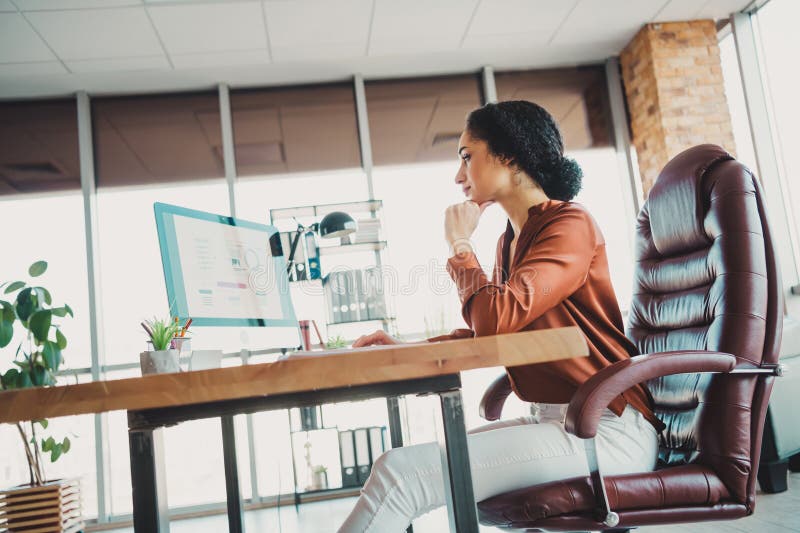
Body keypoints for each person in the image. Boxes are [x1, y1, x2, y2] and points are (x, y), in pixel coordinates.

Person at [338, 100, 664, 532]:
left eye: (467, 156)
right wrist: (408, 349)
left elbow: (495, 317)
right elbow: (489, 331)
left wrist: (459, 244)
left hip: (604, 430)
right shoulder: (511, 241)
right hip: (558, 422)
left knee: (402, 478)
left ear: (509, 156)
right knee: (394, 469)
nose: (459, 176)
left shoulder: (570, 224)